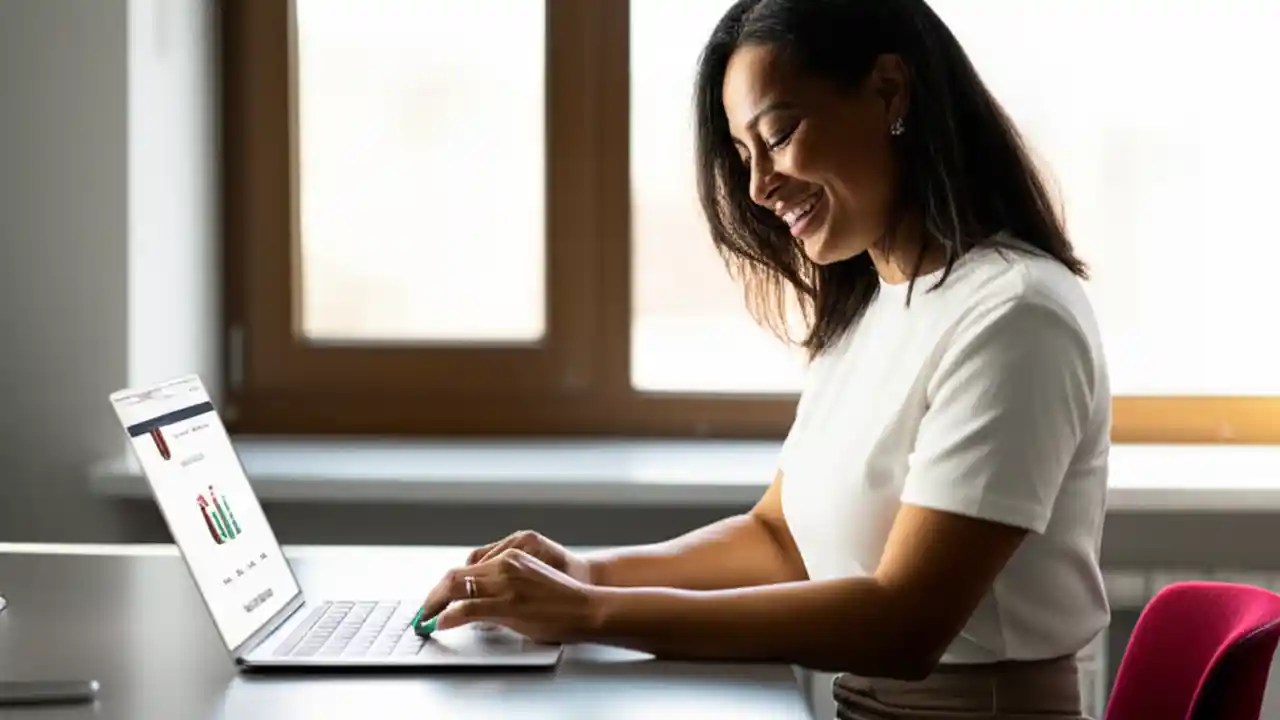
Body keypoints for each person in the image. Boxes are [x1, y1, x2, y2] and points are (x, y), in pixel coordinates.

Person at [421, 0, 1109, 716]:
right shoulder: (875, 307)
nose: (757, 187)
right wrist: (586, 570)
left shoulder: (1015, 314)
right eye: (744, 155)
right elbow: (780, 539)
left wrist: (590, 611)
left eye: (778, 135)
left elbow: (905, 623)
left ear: (889, 91)